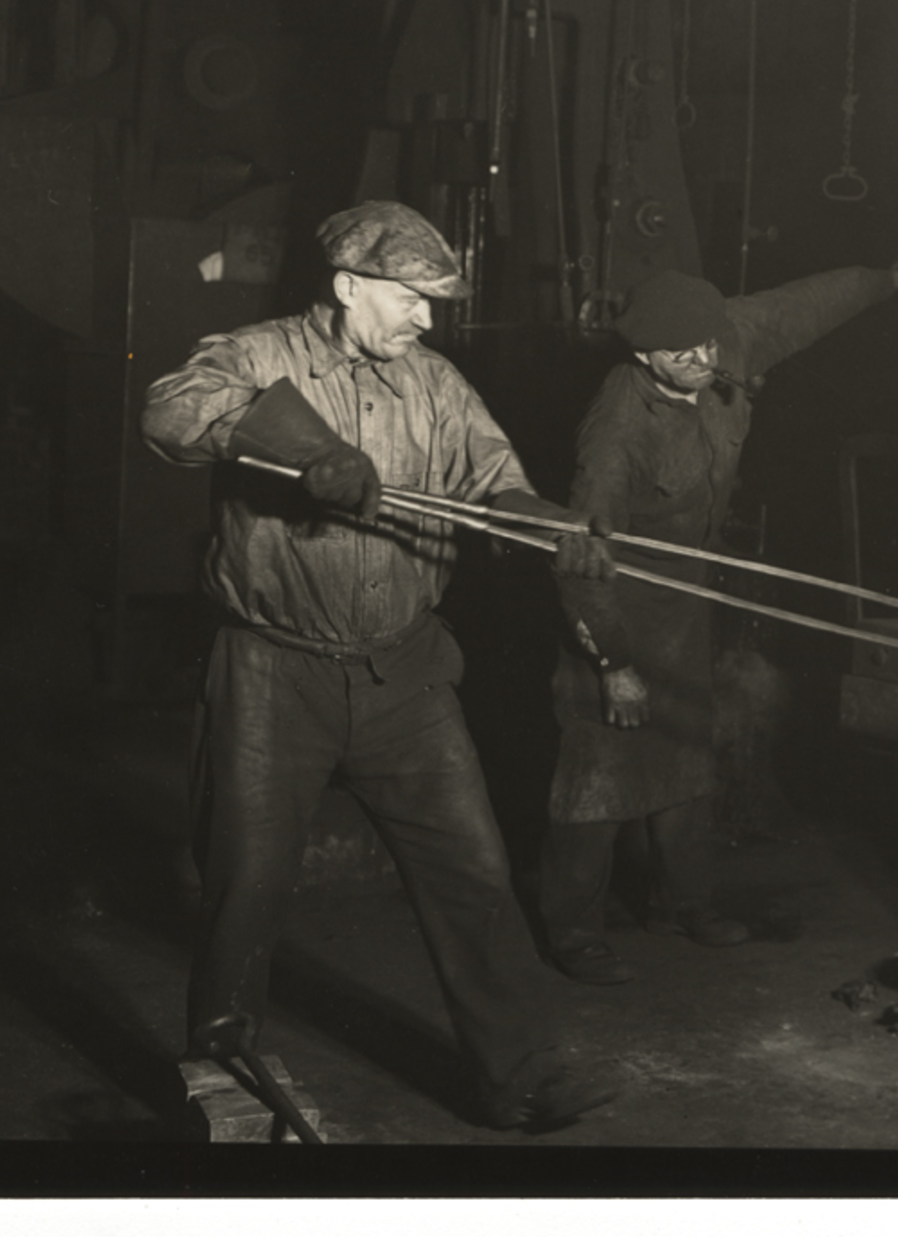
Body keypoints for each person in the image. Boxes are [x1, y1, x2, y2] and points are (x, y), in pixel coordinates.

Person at [140, 199, 628, 1130]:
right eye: (411, 299)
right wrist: (306, 449)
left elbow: (499, 485)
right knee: (244, 886)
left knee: (475, 874)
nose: (426, 321)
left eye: (434, 305)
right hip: (273, 673)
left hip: (404, 676)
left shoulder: (438, 385)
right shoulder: (260, 355)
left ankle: (519, 1074)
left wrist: (555, 526)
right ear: (350, 286)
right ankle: (227, 1082)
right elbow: (168, 409)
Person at [539, 257, 898, 985]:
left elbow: (806, 298)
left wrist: (891, 275)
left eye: (709, 347)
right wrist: (613, 666)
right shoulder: (614, 433)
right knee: (599, 773)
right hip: (616, 604)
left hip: (686, 598)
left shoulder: (715, 341)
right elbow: (577, 563)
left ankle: (681, 902)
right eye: (681, 356)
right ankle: (572, 929)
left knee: (686, 751)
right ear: (643, 356)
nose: (703, 363)